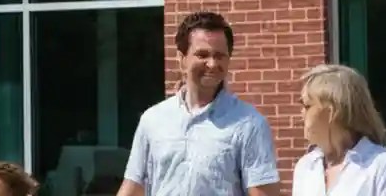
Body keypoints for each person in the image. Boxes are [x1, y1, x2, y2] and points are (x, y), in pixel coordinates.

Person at [117, 11, 281, 196]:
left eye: (220, 56)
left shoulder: (249, 125)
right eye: (202, 55)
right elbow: (134, 188)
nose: (212, 64)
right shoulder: (153, 121)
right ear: (182, 59)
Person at [291, 64, 386, 196]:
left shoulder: (381, 164)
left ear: (333, 112)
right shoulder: (305, 166)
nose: (301, 114)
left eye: (307, 106)